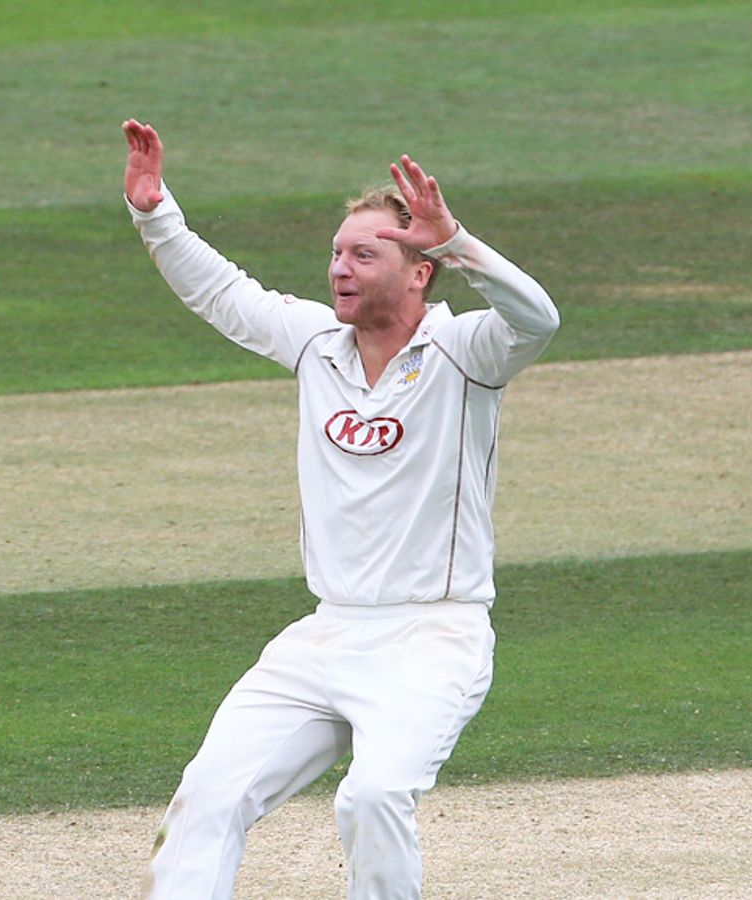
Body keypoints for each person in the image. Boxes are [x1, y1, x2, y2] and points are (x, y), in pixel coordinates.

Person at [122, 119, 560, 900]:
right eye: (335, 252)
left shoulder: (468, 352)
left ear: (421, 271)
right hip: (327, 633)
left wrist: (456, 238)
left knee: (373, 797)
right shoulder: (315, 344)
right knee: (209, 796)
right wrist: (156, 212)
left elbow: (538, 318)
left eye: (365, 254)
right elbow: (224, 293)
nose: (339, 269)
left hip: (433, 633)